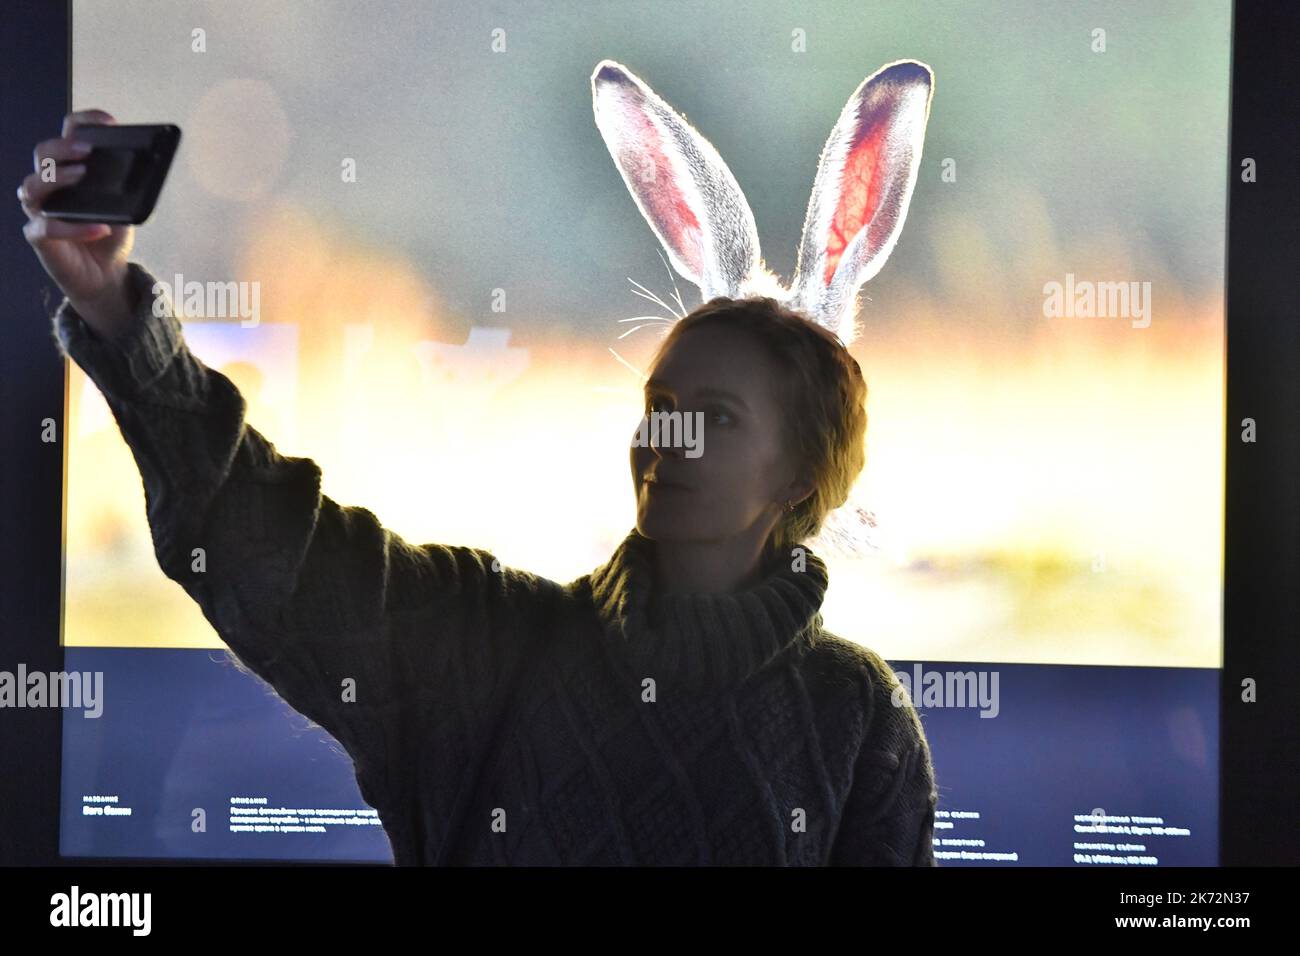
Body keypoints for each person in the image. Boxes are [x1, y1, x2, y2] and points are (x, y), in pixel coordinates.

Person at [21, 109, 939, 866]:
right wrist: (116, 314)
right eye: (658, 403)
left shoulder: (855, 717)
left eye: (720, 416)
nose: (667, 438)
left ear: (800, 471)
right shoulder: (489, 643)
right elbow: (274, 548)